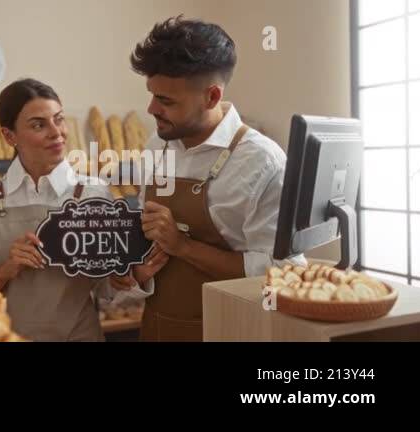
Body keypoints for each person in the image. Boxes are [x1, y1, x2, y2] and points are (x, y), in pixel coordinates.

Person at [111, 16, 306, 341]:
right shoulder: (157, 143)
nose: (151, 108)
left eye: (166, 100)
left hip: (230, 332)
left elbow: (285, 272)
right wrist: (131, 271)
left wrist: (184, 247)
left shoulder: (261, 161)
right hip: (158, 328)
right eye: (152, 94)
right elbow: (151, 241)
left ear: (212, 97)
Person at [0, 78, 150, 341]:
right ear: (9, 136)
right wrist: (5, 271)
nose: (57, 132)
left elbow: (105, 290)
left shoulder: (93, 193)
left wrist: (123, 279)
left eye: (59, 119)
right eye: (38, 125)